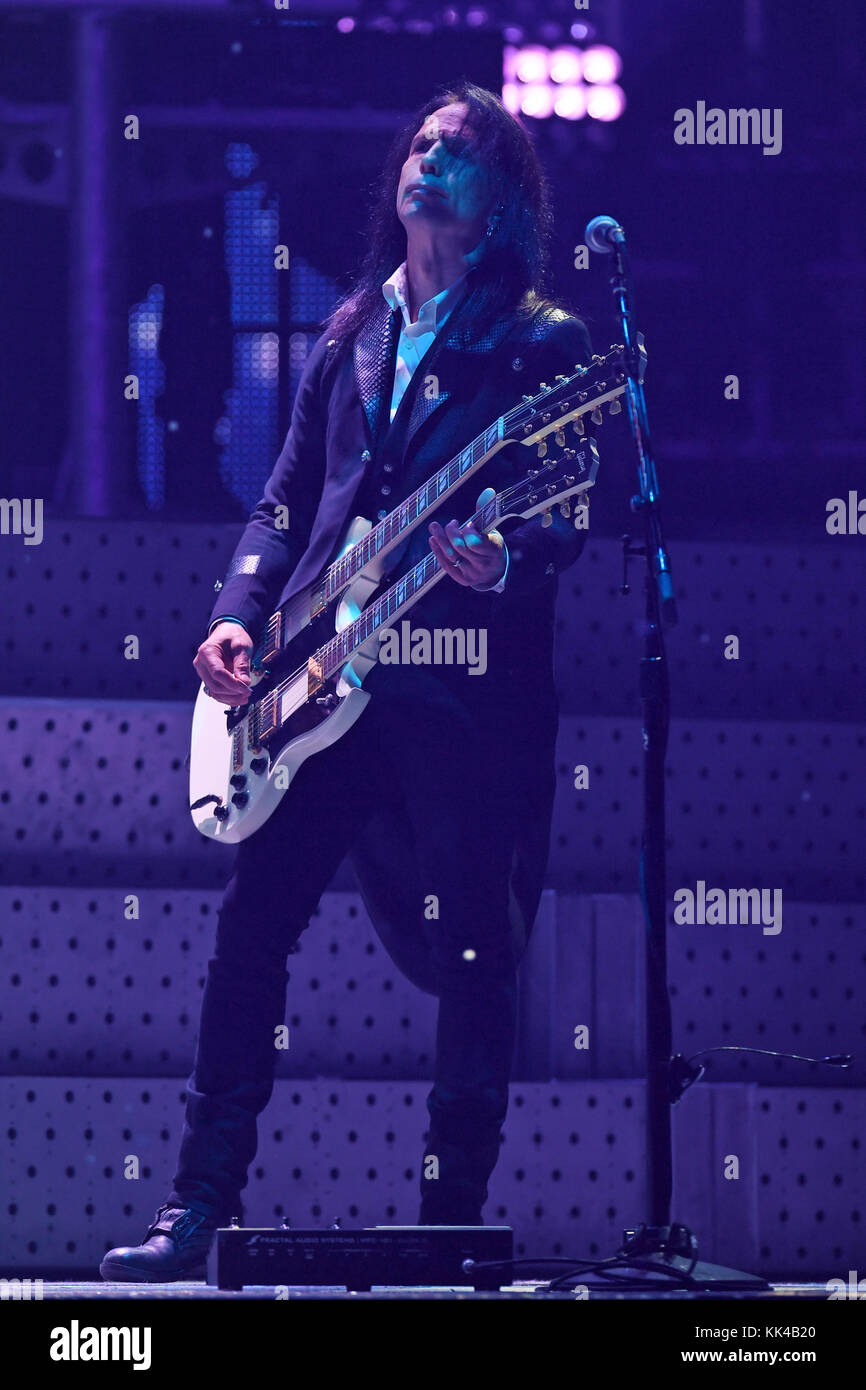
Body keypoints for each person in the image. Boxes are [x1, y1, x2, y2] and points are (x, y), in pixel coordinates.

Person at [100, 80, 592, 1282]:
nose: (429, 158)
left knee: (476, 944)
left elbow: (567, 510)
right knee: (249, 933)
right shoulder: (352, 328)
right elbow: (281, 500)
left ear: (502, 196)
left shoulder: (543, 344)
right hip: (312, 686)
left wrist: (501, 555)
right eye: (420, 141)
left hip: (459, 690)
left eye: (461, 148)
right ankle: (194, 1210)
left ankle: (450, 1221)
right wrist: (234, 616)